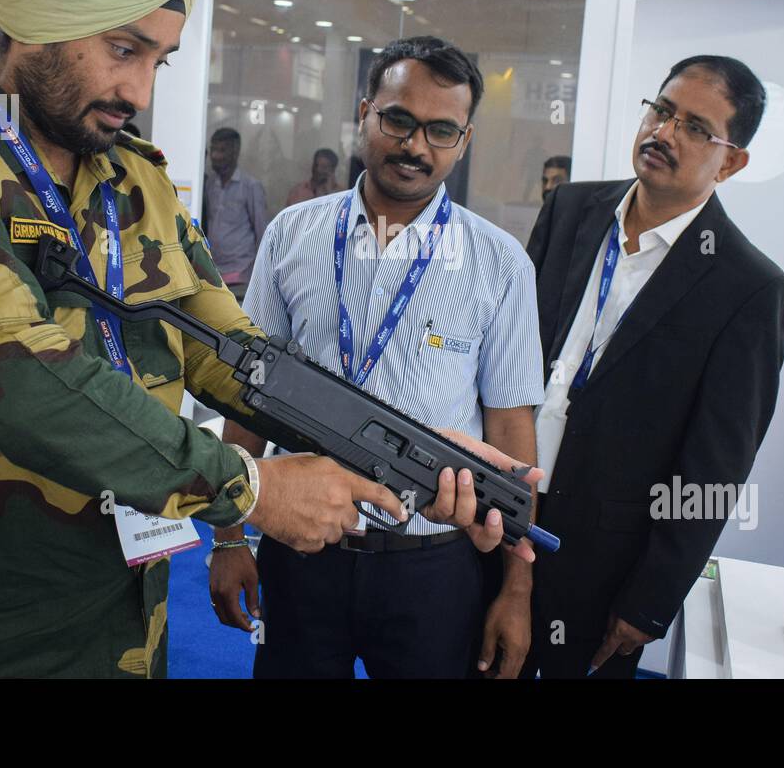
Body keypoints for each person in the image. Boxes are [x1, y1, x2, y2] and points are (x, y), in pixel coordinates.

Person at [0, 0, 528, 679]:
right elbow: (13, 375)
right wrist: (248, 491)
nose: (140, 93)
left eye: (158, 60)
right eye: (122, 48)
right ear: (34, 20)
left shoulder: (133, 178)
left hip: (127, 609)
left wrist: (407, 450)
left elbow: (233, 354)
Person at [209, 36, 546, 679]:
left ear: (463, 141)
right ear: (366, 112)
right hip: (302, 547)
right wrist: (229, 535)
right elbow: (247, 390)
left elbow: (510, 430)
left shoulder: (500, 262)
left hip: (434, 565)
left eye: (440, 130)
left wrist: (518, 590)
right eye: (398, 119)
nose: (415, 146)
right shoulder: (292, 233)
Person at [524, 55, 784, 679]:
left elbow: (716, 466)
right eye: (662, 110)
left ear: (731, 162)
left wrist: (650, 601)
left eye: (697, 128)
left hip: (604, 565)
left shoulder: (747, 286)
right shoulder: (569, 210)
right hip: (500, 518)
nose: (665, 133)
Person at [203, 127, 267, 297]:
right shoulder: (210, 185)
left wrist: (258, 274)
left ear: (235, 152)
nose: (215, 156)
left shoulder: (251, 186)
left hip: (240, 274)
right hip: (213, 271)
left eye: (222, 150)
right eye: (213, 149)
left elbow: (262, 234)